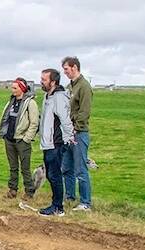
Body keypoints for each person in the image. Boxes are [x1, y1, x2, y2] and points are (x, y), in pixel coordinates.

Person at [37, 68, 75, 217]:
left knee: (54, 175)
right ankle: (55, 204)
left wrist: (68, 139)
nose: (41, 81)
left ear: (53, 82)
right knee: (51, 175)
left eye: (44, 79)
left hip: (56, 143)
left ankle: (58, 207)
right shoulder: (48, 96)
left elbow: (65, 120)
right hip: (47, 143)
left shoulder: (59, 97)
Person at [0, 77, 39, 199]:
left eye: (15, 88)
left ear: (22, 88)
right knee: (13, 167)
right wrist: (4, 134)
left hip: (22, 140)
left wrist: (27, 138)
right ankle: (12, 190)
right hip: (9, 139)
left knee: (25, 168)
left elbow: (34, 123)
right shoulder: (11, 102)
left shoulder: (31, 103)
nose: (12, 90)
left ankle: (29, 191)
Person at [62, 56, 93, 211]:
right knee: (66, 167)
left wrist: (76, 128)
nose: (65, 72)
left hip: (79, 134)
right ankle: (69, 197)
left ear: (74, 67)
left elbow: (84, 111)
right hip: (68, 133)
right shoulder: (71, 86)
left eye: (66, 69)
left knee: (80, 169)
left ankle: (86, 202)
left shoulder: (84, 86)